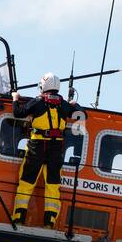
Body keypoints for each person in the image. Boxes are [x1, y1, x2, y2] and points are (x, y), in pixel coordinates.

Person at [11, 72, 85, 228]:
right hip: (56, 149)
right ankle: (49, 223)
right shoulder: (64, 105)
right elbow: (82, 115)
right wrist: (74, 105)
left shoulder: (37, 102)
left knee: (26, 183)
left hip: (36, 147)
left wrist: (15, 99)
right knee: (52, 185)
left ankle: (18, 217)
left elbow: (17, 113)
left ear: (43, 86)